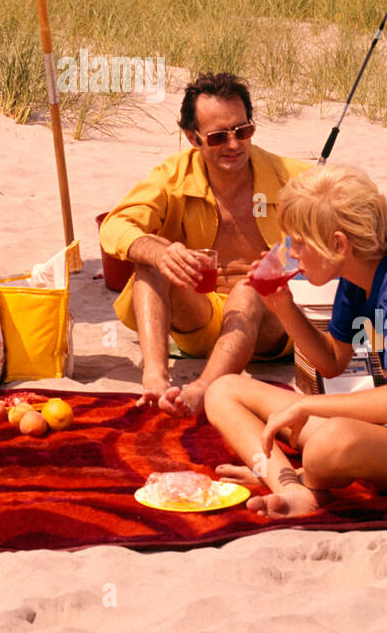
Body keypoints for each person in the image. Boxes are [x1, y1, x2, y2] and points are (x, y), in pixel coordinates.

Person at [204, 163, 387, 517]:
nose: (291, 253)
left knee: (328, 446)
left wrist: (306, 407)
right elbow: (331, 362)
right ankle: (289, 485)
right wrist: (282, 306)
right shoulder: (357, 277)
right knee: (223, 390)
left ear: (338, 244)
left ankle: (298, 479)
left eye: (297, 242)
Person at [98, 72, 311, 416]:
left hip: (272, 327)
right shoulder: (172, 176)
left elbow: (353, 215)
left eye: (243, 131)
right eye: (218, 137)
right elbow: (115, 226)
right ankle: (155, 377)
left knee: (250, 288)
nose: (234, 144)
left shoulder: (292, 176)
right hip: (201, 318)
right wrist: (161, 251)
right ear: (191, 137)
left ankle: (203, 388)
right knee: (151, 257)